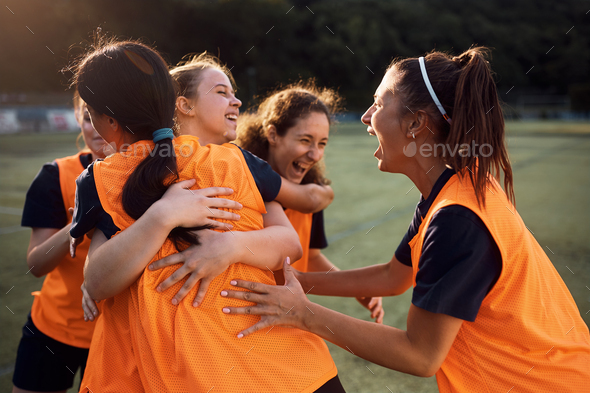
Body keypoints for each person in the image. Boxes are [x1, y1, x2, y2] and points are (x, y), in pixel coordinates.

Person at [220, 47, 590, 392]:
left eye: (379, 103)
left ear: (415, 124)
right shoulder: (453, 186)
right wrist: (298, 280)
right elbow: (392, 278)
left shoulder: (457, 219)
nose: (366, 116)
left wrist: (302, 313)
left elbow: (420, 354)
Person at [69, 38, 344, 392]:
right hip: (286, 366)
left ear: (106, 119)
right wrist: (163, 215)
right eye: (221, 92)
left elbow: (97, 281)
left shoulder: (100, 179)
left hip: (197, 374)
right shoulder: (235, 161)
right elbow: (97, 283)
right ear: (174, 103)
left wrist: (227, 245)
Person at [236, 83, 384, 322]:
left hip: (288, 312)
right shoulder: (242, 187)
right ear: (272, 134)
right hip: (246, 315)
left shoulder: (310, 187)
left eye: (322, 144)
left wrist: (352, 288)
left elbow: (310, 257)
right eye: (305, 140)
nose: (315, 155)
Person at [12, 93, 107, 393]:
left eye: (106, 115)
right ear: (78, 119)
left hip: (117, 333)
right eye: (87, 117)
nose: (96, 127)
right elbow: (36, 264)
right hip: (54, 327)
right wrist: (76, 225)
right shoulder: (56, 175)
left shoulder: (149, 179)